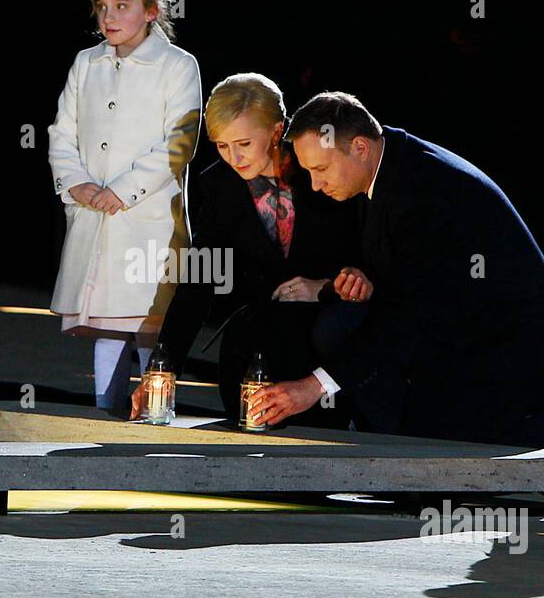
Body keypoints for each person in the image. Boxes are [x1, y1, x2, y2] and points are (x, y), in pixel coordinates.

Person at [247, 91, 544, 451]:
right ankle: (396, 446)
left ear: (359, 146)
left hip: (504, 353)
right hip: (455, 331)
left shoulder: (422, 190)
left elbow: (405, 312)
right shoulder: (392, 164)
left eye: (321, 169)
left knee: (430, 468)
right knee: (338, 324)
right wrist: (335, 286)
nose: (315, 185)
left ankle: (404, 452)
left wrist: (312, 387)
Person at [126, 73, 372, 426]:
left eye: (243, 143)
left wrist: (324, 287)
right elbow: (201, 279)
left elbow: (364, 252)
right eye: (222, 146)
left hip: (328, 327)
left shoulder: (323, 168)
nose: (233, 158)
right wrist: (162, 370)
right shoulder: (217, 184)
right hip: (258, 336)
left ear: (276, 131)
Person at [47, 0, 203, 416]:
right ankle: (104, 412)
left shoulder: (177, 65)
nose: (109, 17)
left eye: (122, 5)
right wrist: (75, 184)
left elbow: (181, 140)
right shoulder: (87, 63)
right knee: (107, 320)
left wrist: (123, 190)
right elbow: (62, 131)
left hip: (149, 218)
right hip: (96, 214)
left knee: (149, 323)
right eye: (102, 7)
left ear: (152, 10)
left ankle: (155, 414)